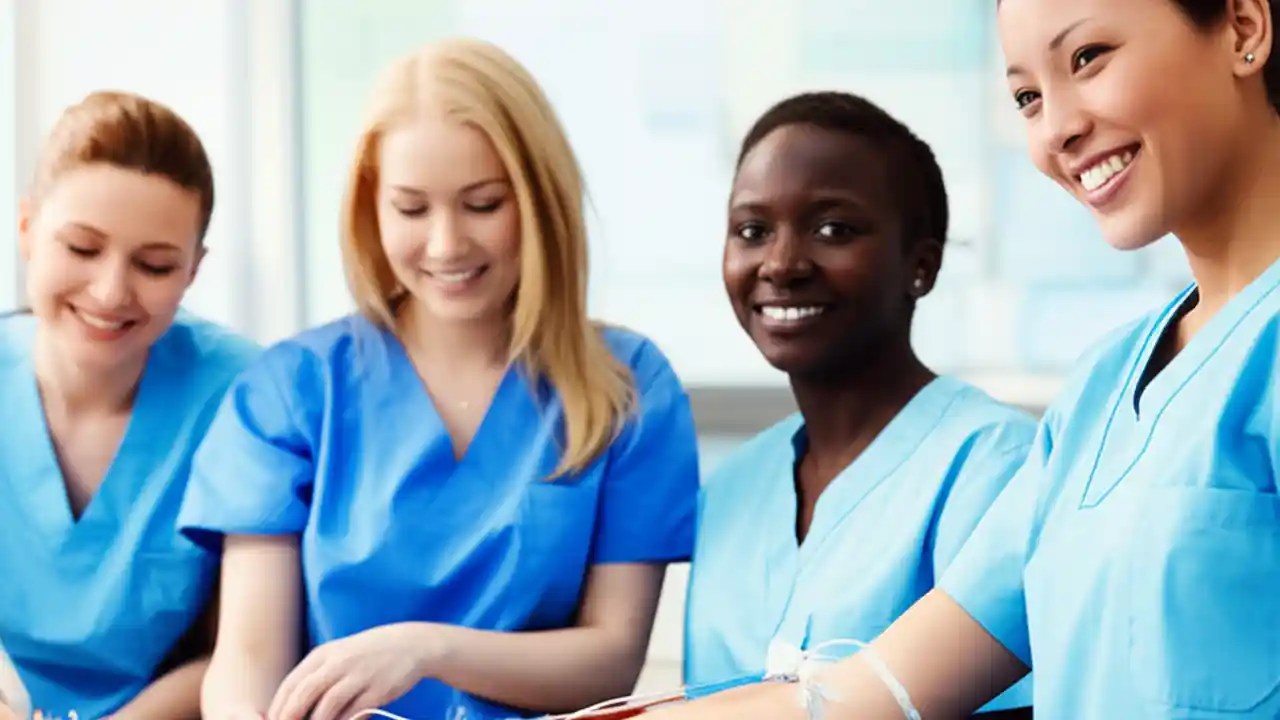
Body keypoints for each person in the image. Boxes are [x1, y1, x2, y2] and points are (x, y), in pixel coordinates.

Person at [645, 0, 1280, 718]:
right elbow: (869, 692)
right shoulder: (1100, 392)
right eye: (1027, 98)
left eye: (1088, 58)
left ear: (1243, 27)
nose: (1058, 129)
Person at [180, 37, 700, 720]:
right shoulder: (292, 391)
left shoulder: (627, 386)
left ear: (539, 201)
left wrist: (427, 650)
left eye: (483, 204)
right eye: (411, 208)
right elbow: (248, 662)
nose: (447, 244)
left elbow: (610, 660)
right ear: (371, 208)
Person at [681, 92, 1034, 719]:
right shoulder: (732, 491)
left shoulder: (996, 466)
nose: (781, 264)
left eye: (833, 230)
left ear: (921, 266)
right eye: (752, 231)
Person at [0, 91, 259, 720]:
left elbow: (242, 649)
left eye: (155, 265)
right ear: (28, 229)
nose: (111, 291)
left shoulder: (243, 398)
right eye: (82, 249)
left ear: (193, 270)